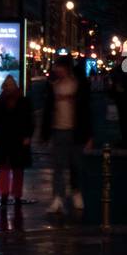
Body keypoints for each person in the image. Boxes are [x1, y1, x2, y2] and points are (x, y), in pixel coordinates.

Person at [40, 55, 92, 215]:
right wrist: (45, 134)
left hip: (74, 130)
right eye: (56, 67)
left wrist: (89, 136)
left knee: (75, 164)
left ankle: (75, 192)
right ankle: (58, 197)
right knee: (58, 166)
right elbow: (47, 111)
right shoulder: (53, 85)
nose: (57, 69)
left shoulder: (78, 85)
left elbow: (86, 111)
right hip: (58, 130)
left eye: (59, 66)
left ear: (67, 68)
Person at [0, 75, 34, 209]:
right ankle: (4, 195)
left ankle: (17, 196)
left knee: (17, 169)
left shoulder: (23, 101)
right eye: (7, 84)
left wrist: (28, 136)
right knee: (4, 169)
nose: (9, 87)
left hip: (18, 139)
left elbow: (29, 120)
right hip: (4, 139)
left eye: (11, 84)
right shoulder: (0, 101)